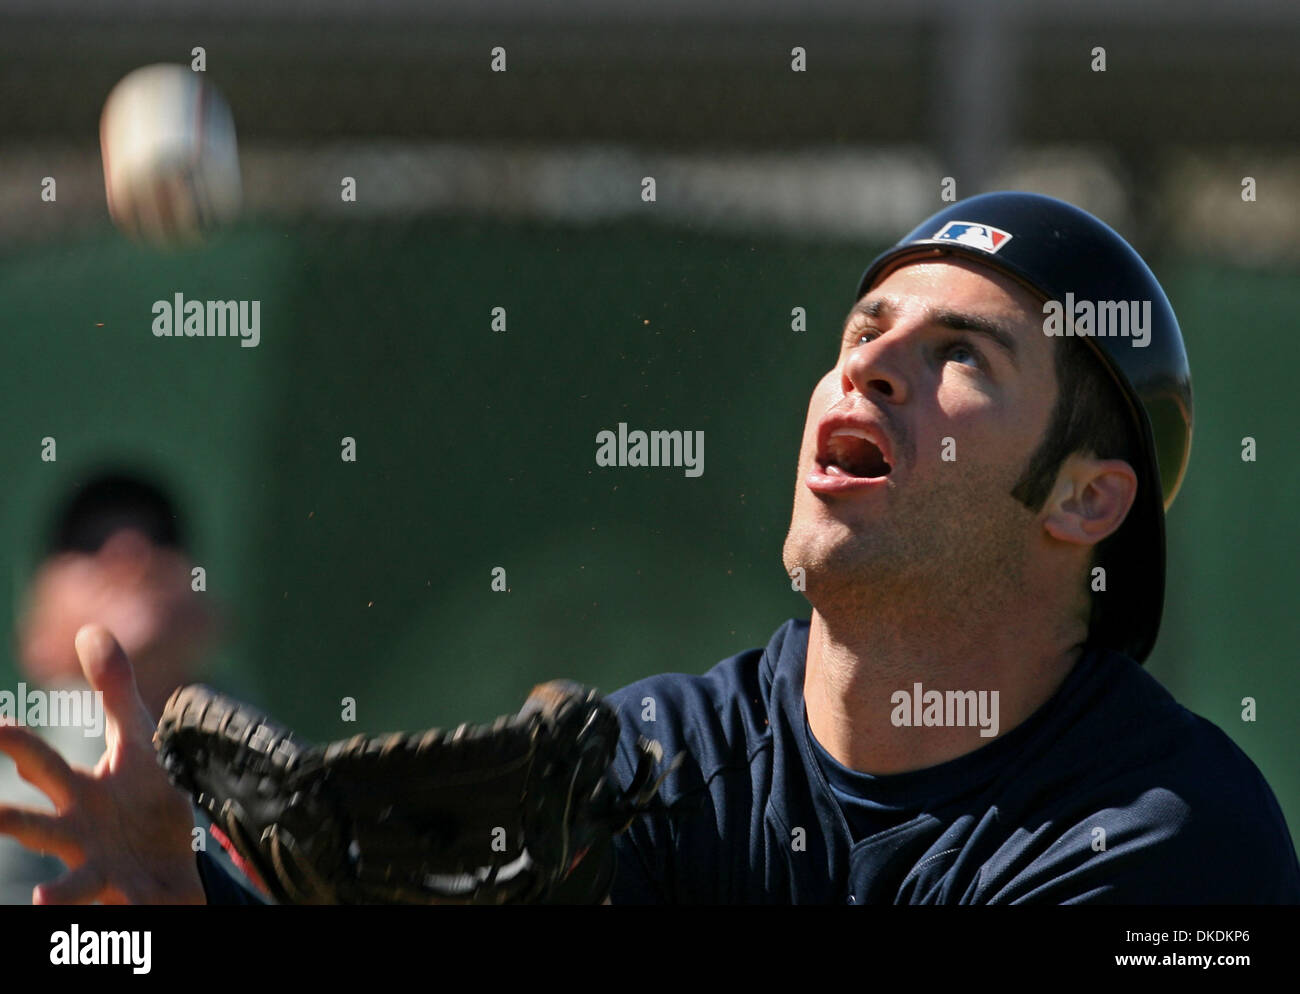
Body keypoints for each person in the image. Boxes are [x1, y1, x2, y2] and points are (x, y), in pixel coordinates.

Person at [1, 193, 1297, 904]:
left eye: (961, 353)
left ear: (1084, 499)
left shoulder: (1168, 839)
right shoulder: (667, 764)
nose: (872, 362)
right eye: (867, 326)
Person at [0, 471, 219, 904]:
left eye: (162, 535)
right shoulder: (8, 820)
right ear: (32, 636)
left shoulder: (306, 796)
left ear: (209, 618)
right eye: (86, 539)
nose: (131, 550)